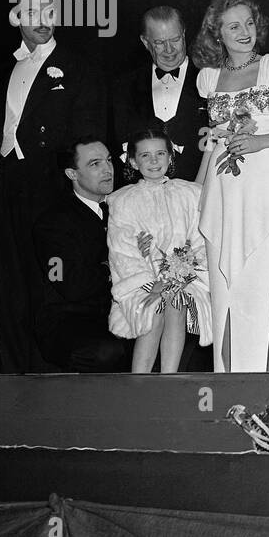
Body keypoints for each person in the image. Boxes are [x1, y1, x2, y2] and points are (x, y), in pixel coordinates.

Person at [0, 0, 106, 373]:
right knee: (10, 279)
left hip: (50, 186)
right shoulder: (8, 69)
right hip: (8, 182)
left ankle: (46, 373)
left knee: (47, 283)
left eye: (49, 13)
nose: (43, 21)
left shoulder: (78, 65)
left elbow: (86, 135)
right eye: (32, 14)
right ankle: (11, 372)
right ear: (17, 19)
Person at [193, 0, 269, 372]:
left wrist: (261, 141)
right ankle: (227, 381)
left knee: (262, 284)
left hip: (267, 182)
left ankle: (265, 377)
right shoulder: (207, 78)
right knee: (224, 287)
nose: (244, 31)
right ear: (216, 33)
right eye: (233, 25)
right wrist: (200, 193)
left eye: (249, 23)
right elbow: (209, 145)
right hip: (224, 188)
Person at [108, 127, 212, 373]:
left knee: (174, 301)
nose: (154, 161)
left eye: (160, 154)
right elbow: (121, 250)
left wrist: (181, 273)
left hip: (187, 279)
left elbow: (200, 241)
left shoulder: (190, 194)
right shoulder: (123, 201)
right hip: (141, 280)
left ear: (169, 157)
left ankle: (168, 378)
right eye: (145, 155)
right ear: (133, 161)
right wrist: (149, 281)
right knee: (154, 306)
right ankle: (139, 381)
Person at [31, 137, 129, 372]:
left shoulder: (126, 208)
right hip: (72, 320)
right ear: (72, 174)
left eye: (108, 160)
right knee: (107, 352)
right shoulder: (53, 222)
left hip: (124, 312)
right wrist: (117, 267)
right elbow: (72, 285)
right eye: (95, 164)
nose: (107, 169)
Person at [110, 6, 208, 185]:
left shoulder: (209, 78)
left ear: (184, 34)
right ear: (145, 42)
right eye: (160, 43)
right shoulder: (124, 87)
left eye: (175, 39)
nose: (169, 50)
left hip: (201, 195)